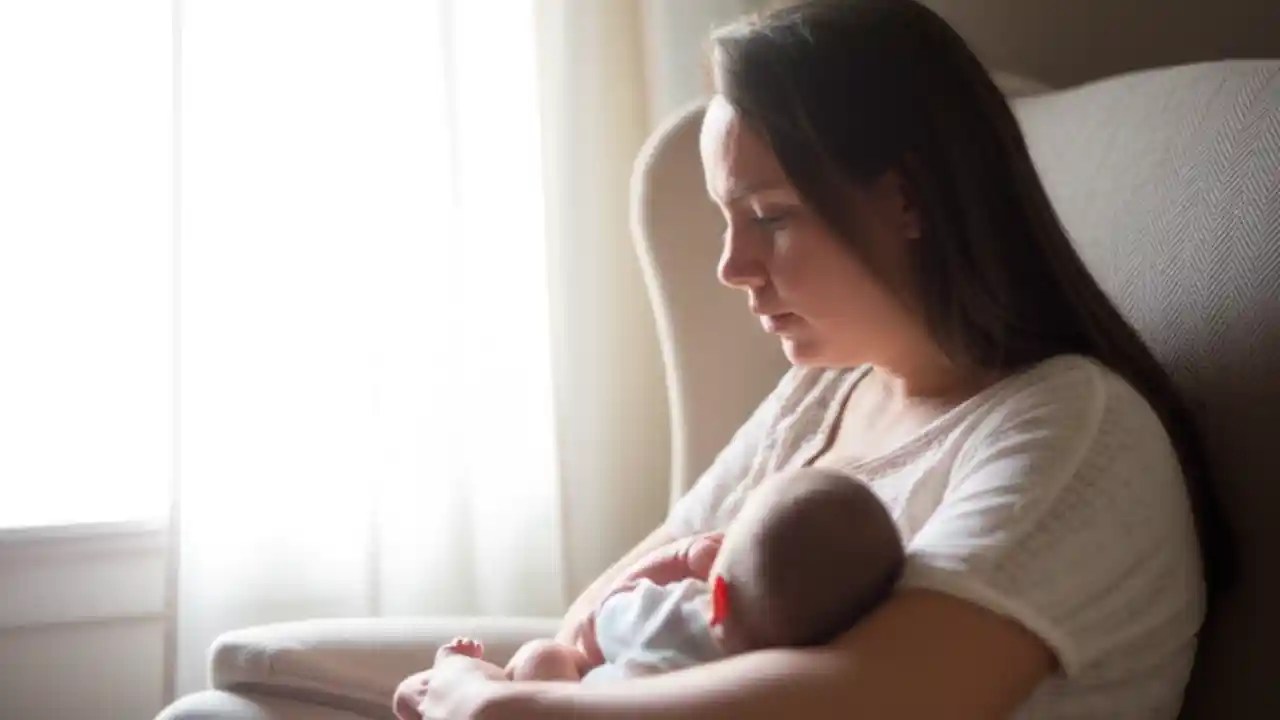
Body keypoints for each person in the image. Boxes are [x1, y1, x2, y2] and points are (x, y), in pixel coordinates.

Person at [396, 0, 1213, 717]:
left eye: (770, 216)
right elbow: (598, 619)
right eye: (729, 217)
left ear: (906, 199)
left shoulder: (1071, 430)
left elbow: (860, 703)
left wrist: (500, 708)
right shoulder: (819, 399)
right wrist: (509, 685)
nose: (730, 266)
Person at [421, 468, 903, 691]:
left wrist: (676, 559)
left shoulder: (674, 615)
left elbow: (600, 616)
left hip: (568, 706)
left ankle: (456, 672)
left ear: (717, 592)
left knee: (541, 657)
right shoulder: (786, 681)